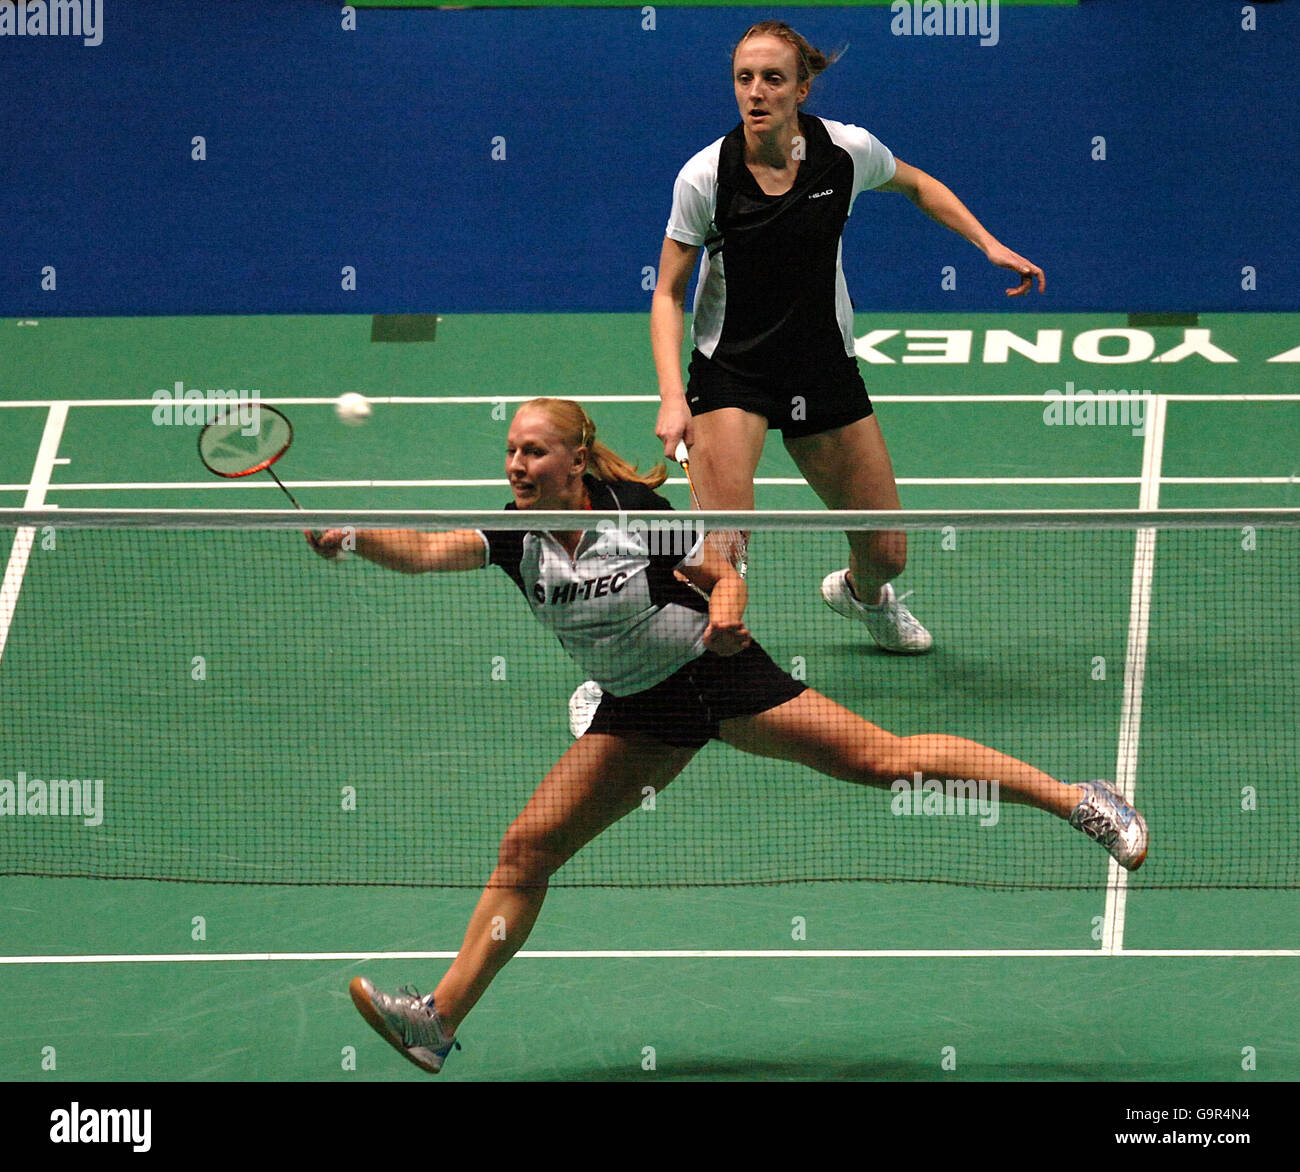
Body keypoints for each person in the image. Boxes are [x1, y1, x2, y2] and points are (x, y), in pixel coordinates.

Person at [310, 398, 1144, 1076]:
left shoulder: (633, 513)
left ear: (573, 459)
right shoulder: (513, 535)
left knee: (885, 762)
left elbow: (720, 567)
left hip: (715, 676)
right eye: (511, 452)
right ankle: (438, 1021)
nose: (517, 466)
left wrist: (728, 613)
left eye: (533, 452)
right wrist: (355, 537)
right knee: (526, 850)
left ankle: (1079, 799)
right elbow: (422, 550)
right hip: (638, 711)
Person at [651, 20, 1046, 654]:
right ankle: (626, 681)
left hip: (822, 369)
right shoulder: (706, 177)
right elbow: (668, 293)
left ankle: (864, 596)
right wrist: (674, 397)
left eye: (773, 79)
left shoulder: (845, 152)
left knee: (888, 550)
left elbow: (917, 183)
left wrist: (989, 245)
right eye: (744, 78)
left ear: (802, 89)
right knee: (721, 556)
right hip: (732, 374)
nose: (756, 92)